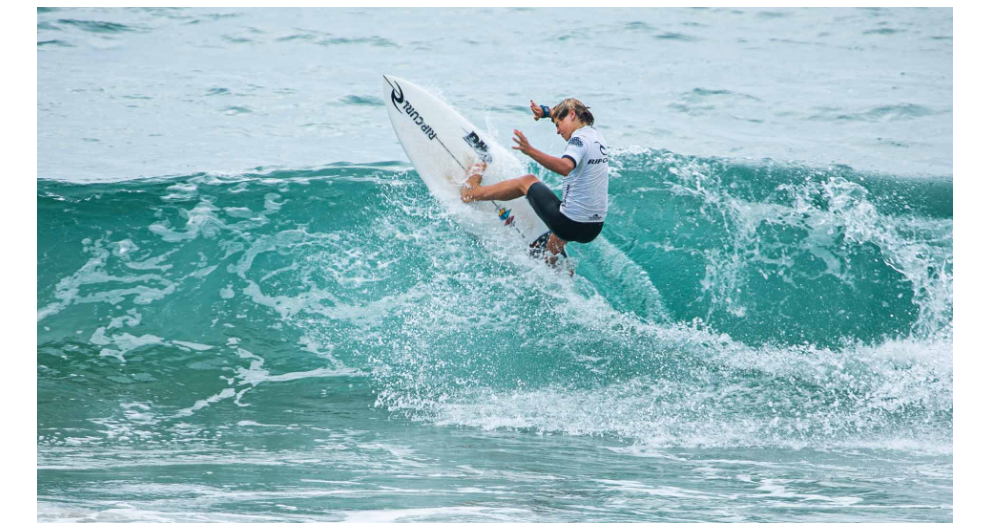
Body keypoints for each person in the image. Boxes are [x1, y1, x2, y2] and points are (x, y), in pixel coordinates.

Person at [460, 98, 608, 260]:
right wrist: (546, 112)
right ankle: (550, 259)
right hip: (593, 228)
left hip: (569, 224)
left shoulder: (578, 140)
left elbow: (565, 167)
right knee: (571, 206)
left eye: (558, 124)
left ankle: (472, 193)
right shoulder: (596, 136)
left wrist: (530, 150)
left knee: (527, 181)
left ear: (572, 115)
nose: (558, 131)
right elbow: (563, 112)